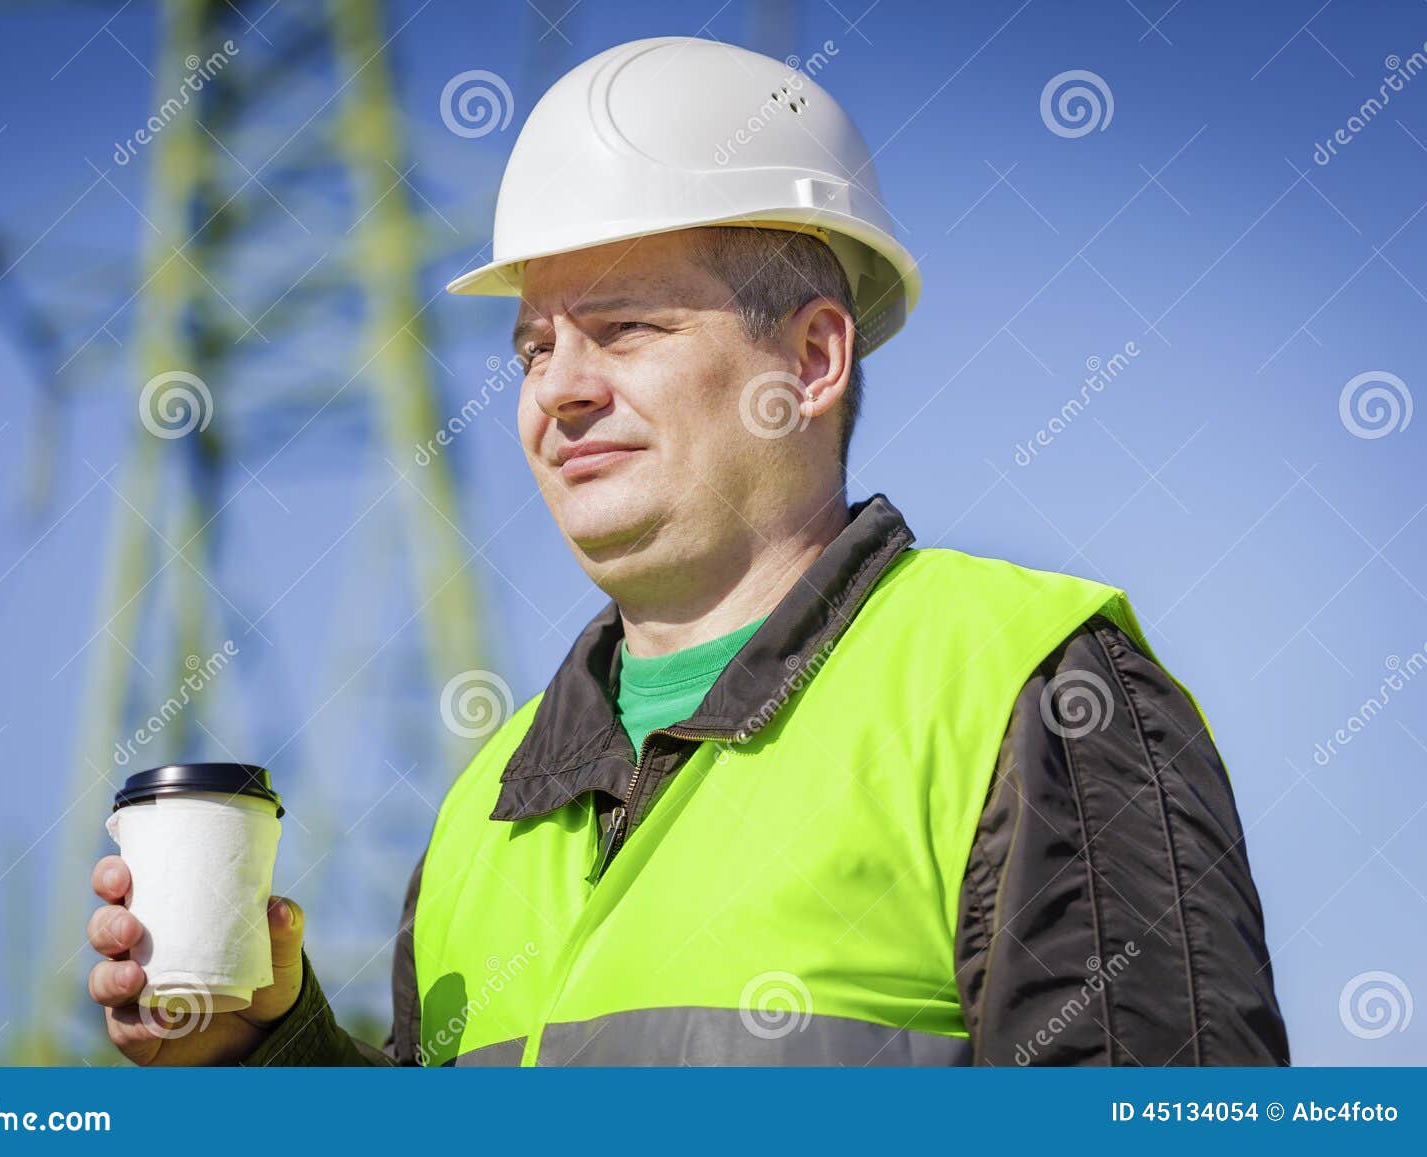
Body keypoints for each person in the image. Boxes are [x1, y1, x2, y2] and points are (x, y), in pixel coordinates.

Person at [86, 36, 1289, 1067]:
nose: (557, 390)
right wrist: (263, 1051)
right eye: (531, 347)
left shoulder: (1029, 690)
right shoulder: (482, 819)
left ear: (812, 362)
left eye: (623, 329)